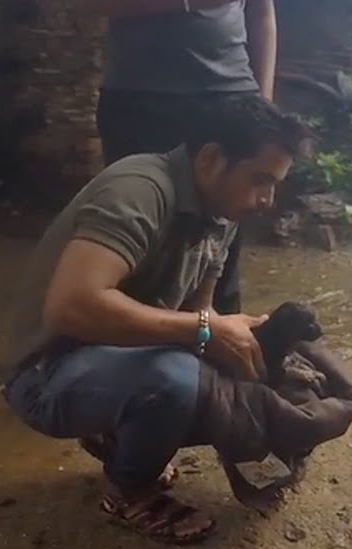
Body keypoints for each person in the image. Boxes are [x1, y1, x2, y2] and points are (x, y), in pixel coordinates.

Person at [0, 95, 314, 544]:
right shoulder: (139, 191)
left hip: (111, 357)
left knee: (253, 359)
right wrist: (206, 331)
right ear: (212, 159)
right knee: (177, 377)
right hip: (45, 373)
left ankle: (117, 430)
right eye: (260, 180)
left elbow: (196, 314)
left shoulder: (221, 211)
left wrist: (239, 335)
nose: (267, 200)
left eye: (275, 184)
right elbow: (72, 306)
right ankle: (129, 491)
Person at [82, 0, 276, 317]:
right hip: (142, 99)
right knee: (144, 238)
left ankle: (220, 339)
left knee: (222, 236)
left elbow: (262, 15)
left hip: (231, 92)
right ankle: (133, 341)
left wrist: (264, 108)